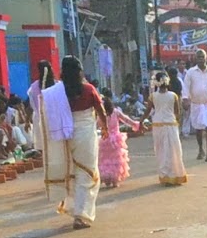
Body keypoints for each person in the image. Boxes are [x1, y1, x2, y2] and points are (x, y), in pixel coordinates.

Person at [41, 56, 107, 229]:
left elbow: (46, 110)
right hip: (85, 134)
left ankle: (74, 209)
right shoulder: (88, 89)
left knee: (73, 171)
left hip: (65, 134)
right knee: (88, 173)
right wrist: (105, 128)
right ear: (79, 71)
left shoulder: (57, 92)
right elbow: (101, 111)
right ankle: (81, 215)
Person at [147, 71, 188, 186]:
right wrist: (177, 123)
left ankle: (165, 175)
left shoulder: (153, 96)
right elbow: (178, 113)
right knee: (174, 150)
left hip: (158, 125)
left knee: (161, 151)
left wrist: (139, 122)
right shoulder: (173, 95)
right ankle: (176, 174)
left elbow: (147, 111)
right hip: (171, 125)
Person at [183, 48, 207, 161]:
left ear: (206, 58)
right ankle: (201, 149)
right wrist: (185, 99)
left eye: (202, 57)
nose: (200, 59)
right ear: (196, 59)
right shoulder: (190, 72)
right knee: (198, 128)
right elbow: (186, 87)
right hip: (196, 104)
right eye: (198, 57)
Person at [99, 96, 138, 188]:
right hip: (116, 139)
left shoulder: (101, 115)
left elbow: (97, 124)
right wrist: (135, 124)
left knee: (105, 159)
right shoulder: (116, 112)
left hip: (105, 138)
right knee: (116, 159)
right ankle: (115, 180)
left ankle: (107, 178)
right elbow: (126, 119)